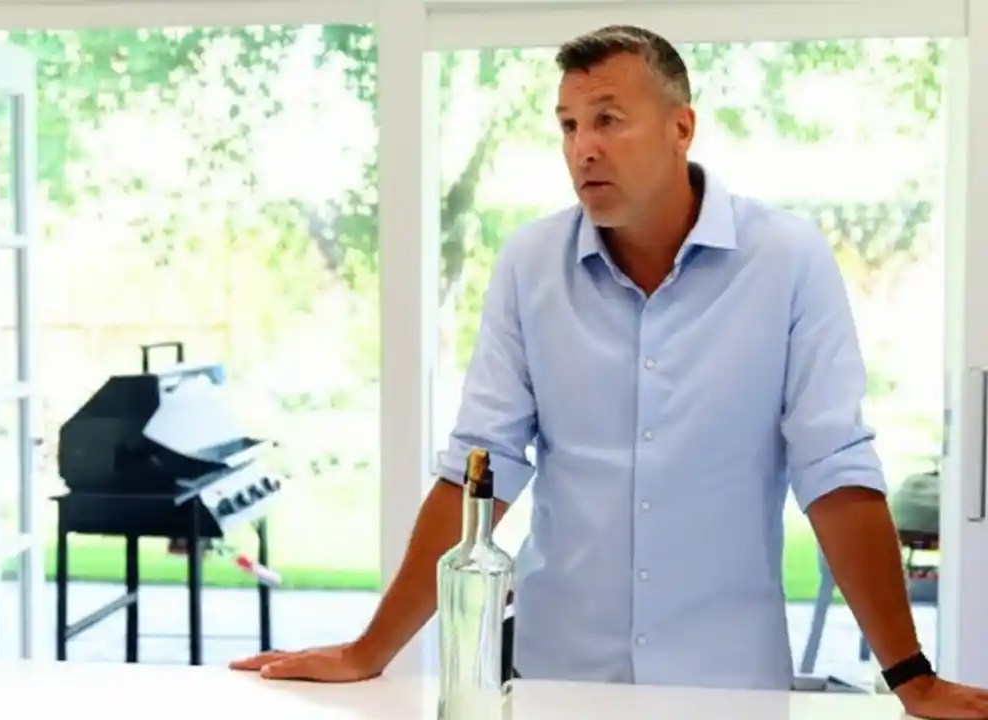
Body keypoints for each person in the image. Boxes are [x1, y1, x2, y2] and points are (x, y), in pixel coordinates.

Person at [230, 24, 988, 719]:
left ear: (680, 127)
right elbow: (478, 466)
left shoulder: (787, 261)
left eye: (607, 119)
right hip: (554, 678)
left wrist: (909, 676)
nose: (582, 147)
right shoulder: (530, 266)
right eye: (567, 125)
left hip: (728, 684)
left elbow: (834, 468)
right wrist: (371, 652)